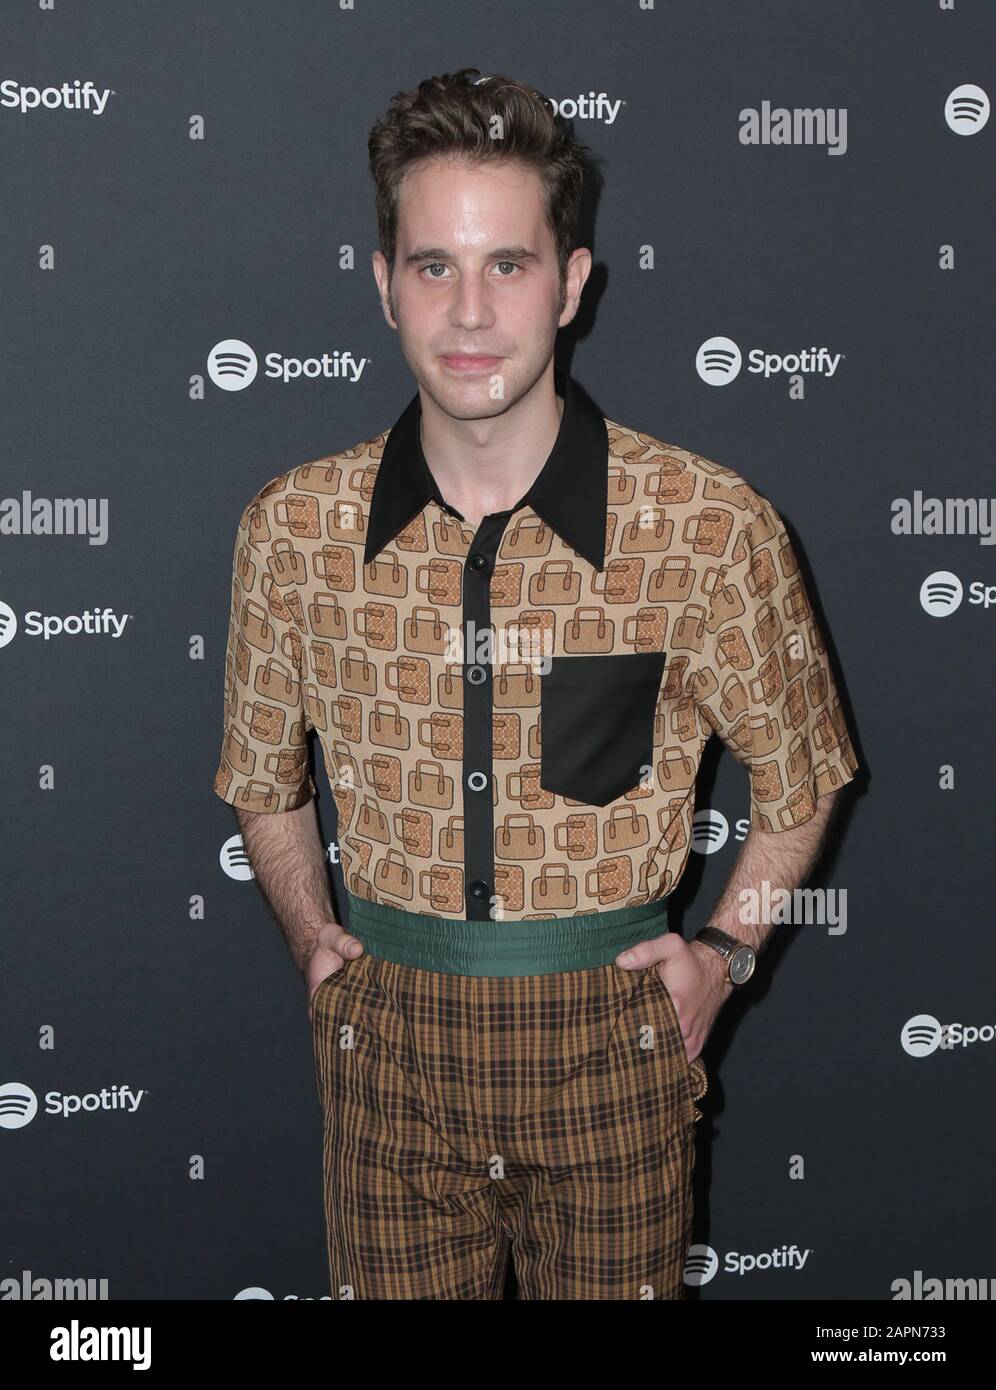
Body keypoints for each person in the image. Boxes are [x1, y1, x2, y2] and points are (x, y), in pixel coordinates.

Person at [212, 67, 860, 1300]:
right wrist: (313, 942)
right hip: (385, 1042)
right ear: (383, 282)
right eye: (433, 265)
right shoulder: (293, 528)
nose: (469, 311)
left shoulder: (707, 524)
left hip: (615, 1046)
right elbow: (262, 777)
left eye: (507, 264)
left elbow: (804, 771)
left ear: (571, 283)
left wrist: (725, 952)